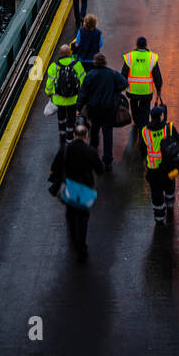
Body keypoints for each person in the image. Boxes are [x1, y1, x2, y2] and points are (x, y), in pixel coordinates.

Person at [48, 121, 103, 262]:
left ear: (74, 134)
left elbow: (55, 166)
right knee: (83, 219)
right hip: (85, 189)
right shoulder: (90, 151)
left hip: (70, 188)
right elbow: (100, 169)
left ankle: (72, 238)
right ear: (86, 136)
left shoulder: (66, 149)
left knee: (70, 214)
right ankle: (81, 248)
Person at [77, 52, 127, 172]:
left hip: (94, 109)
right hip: (109, 108)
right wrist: (115, 90)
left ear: (95, 62)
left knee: (94, 130)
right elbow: (124, 83)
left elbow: (83, 92)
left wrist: (79, 107)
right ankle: (107, 161)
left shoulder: (90, 75)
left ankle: (93, 153)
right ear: (105, 62)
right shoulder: (112, 73)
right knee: (107, 133)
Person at [142, 105, 179, 226]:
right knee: (170, 189)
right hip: (168, 167)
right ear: (161, 116)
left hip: (153, 169)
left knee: (156, 194)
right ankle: (170, 209)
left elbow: (142, 149)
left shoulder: (145, 132)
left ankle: (159, 219)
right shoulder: (168, 128)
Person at [121, 37, 163, 147]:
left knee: (134, 107)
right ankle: (143, 130)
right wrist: (158, 89)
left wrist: (120, 87)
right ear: (146, 45)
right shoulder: (151, 58)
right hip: (146, 91)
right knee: (145, 111)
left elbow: (124, 74)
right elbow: (157, 75)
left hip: (132, 90)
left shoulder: (130, 57)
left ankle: (136, 121)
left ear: (137, 45)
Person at [45, 44, 87, 148]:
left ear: (60, 53)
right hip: (73, 99)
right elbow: (83, 81)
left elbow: (49, 83)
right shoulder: (77, 65)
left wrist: (48, 93)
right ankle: (69, 138)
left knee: (61, 116)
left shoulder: (54, 66)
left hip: (59, 99)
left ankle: (62, 135)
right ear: (70, 53)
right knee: (71, 118)